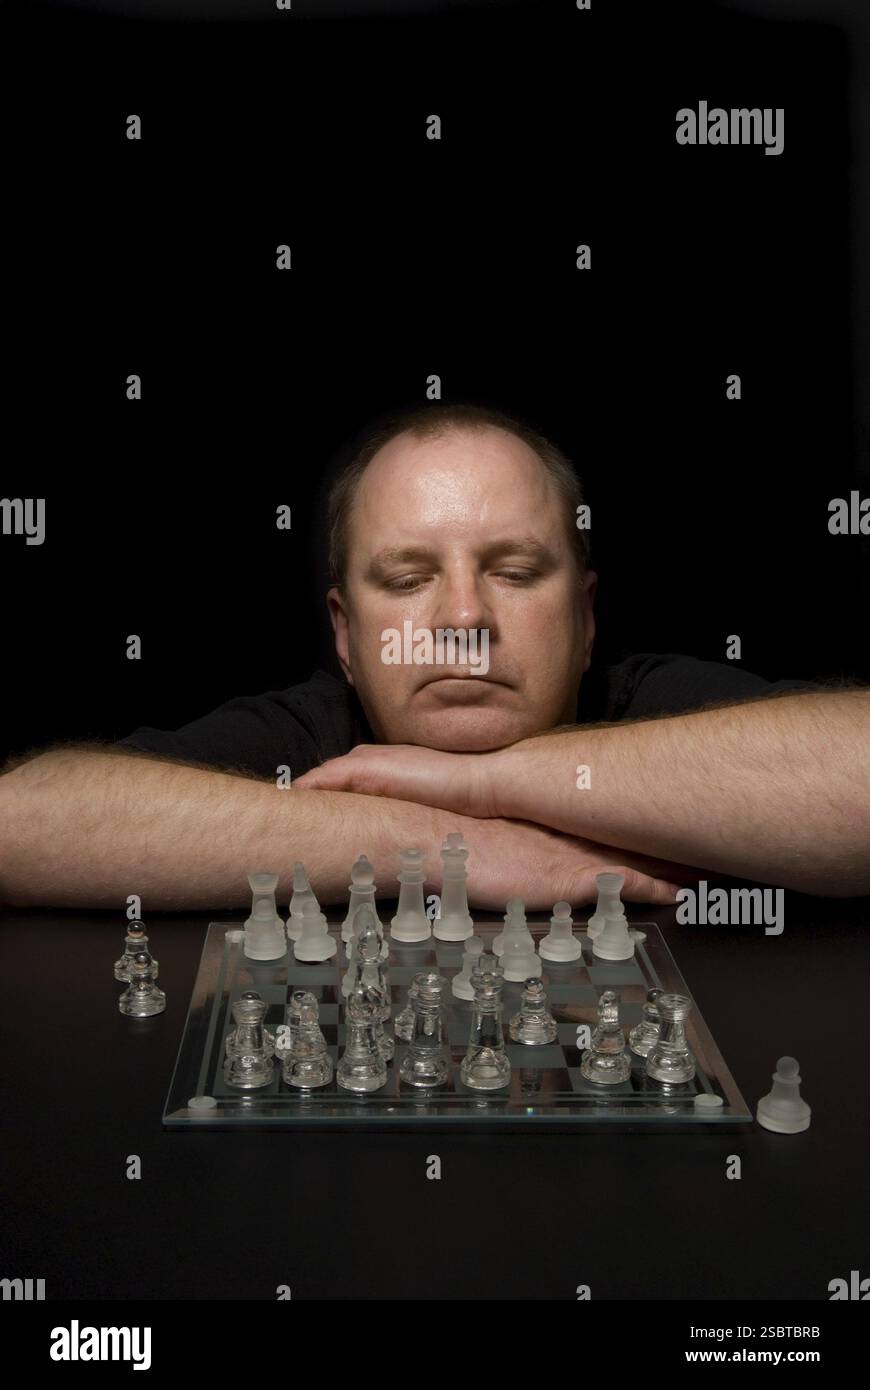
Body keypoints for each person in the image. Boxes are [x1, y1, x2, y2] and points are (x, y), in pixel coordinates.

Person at [1, 402, 868, 910]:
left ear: (587, 616)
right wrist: (434, 841)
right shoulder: (310, 730)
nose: (462, 618)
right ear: (345, 634)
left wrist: (489, 781)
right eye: (409, 578)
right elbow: (23, 822)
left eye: (518, 571)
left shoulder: (647, 699)